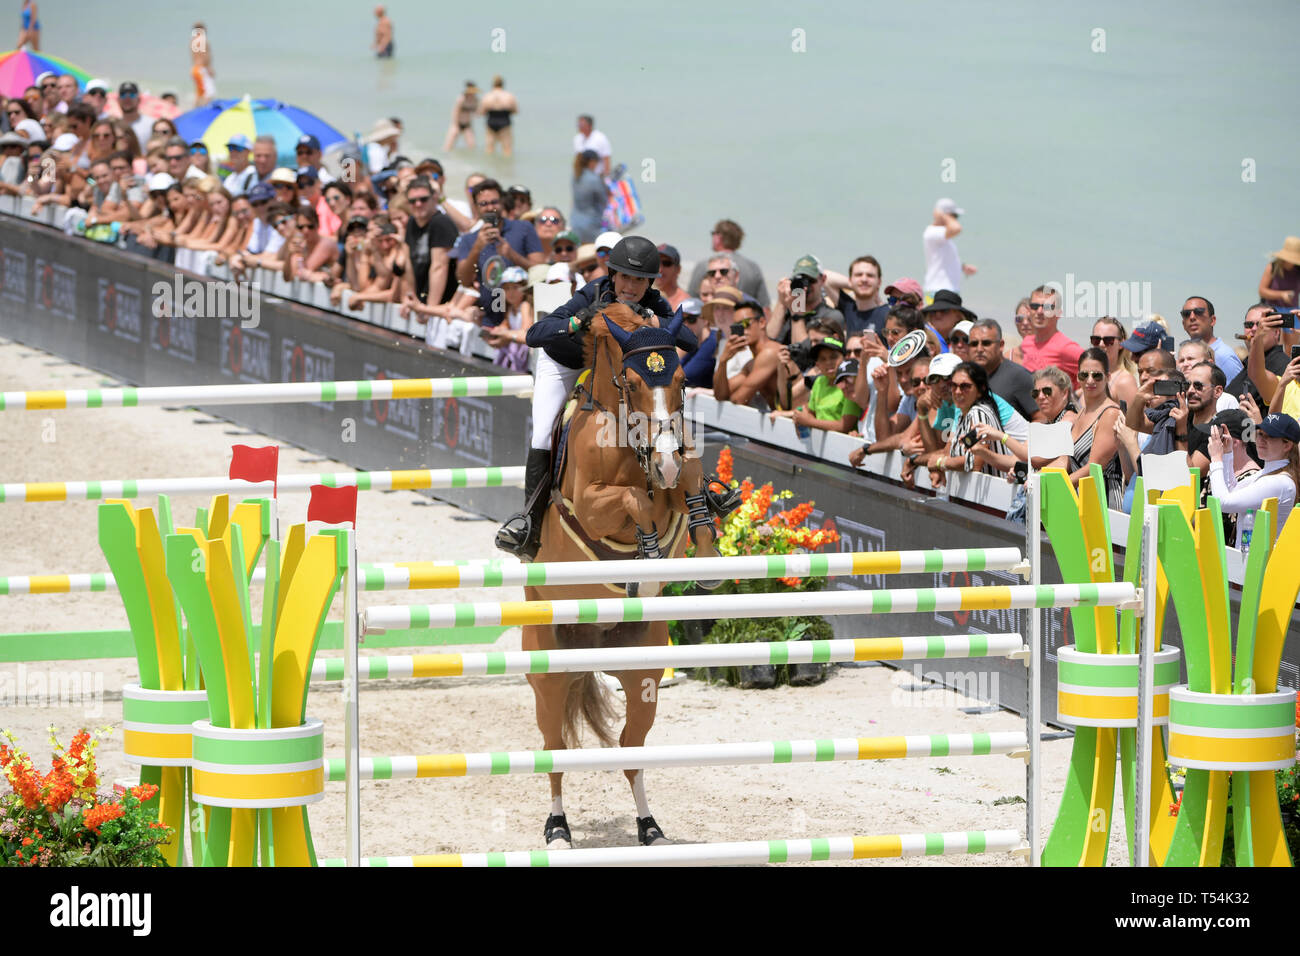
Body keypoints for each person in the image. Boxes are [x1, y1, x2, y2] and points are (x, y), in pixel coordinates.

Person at [498, 236, 694, 558]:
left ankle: (695, 492)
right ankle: (529, 524)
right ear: (612, 275)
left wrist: (655, 319)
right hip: (564, 363)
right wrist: (579, 321)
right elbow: (535, 335)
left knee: (655, 408)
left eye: (640, 280)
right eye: (625, 277)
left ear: (649, 283)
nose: (631, 286)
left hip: (607, 373)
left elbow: (691, 340)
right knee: (545, 432)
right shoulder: (593, 292)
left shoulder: (654, 302)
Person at [1044, 348, 1124, 507]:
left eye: (1097, 375)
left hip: (1103, 502)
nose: (1090, 380)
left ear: (1107, 378)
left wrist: (1055, 485)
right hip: (1078, 499)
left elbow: (1094, 468)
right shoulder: (1080, 413)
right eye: (1084, 375)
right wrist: (1038, 477)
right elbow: (1064, 460)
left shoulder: (1111, 413)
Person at [1207, 412, 1299, 551]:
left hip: (1259, 567)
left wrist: (1216, 459)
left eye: (1270, 436)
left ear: (1287, 445)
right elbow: (1232, 490)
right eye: (1260, 434)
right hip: (1251, 563)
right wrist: (1227, 453)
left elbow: (1222, 503)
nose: (1261, 440)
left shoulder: (1280, 482)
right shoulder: (1267, 473)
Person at [927, 361, 1006, 479]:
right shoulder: (963, 414)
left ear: (980, 389)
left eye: (965, 386)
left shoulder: (978, 413)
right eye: (953, 385)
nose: (958, 391)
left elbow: (975, 462)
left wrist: (940, 463)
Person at [712, 296, 781, 410]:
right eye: (737, 327)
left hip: (801, 422)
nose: (742, 330)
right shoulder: (751, 364)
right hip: (784, 422)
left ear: (762, 322)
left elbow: (738, 399)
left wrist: (733, 396)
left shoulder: (770, 352)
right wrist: (723, 360)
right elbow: (720, 395)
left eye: (745, 323)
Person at [685, 219, 769, 305]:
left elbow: (691, 301)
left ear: (719, 237)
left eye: (713, 233)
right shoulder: (753, 268)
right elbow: (765, 307)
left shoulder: (705, 265)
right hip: (744, 318)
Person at [968, 318, 1037, 420]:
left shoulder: (1019, 377)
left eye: (986, 343)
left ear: (1001, 345)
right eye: (974, 344)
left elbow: (1041, 418)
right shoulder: (966, 378)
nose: (979, 349)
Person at [766, 254, 843, 345]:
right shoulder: (787, 311)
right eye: (800, 281)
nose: (806, 286)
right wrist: (781, 302)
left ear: (822, 280)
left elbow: (803, 353)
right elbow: (768, 342)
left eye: (811, 280)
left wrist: (797, 313)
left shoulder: (831, 316)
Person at [1019, 284, 1084, 387]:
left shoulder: (1066, 348)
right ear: (1029, 311)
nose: (1040, 312)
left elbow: (1096, 372)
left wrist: (1078, 396)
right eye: (1035, 306)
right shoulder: (1026, 343)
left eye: (1047, 307)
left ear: (1058, 313)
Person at [1233, 303, 1287, 407]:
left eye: (1260, 325)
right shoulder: (1246, 364)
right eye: (1249, 325)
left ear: (1276, 332)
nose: (1253, 329)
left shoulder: (1283, 366)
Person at [1180, 295, 1243, 381]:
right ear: (1183, 324)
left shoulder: (1224, 356)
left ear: (1212, 320)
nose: (1192, 317)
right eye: (1186, 314)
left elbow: (1237, 392)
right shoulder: (1184, 357)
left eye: (1199, 312)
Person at [825, 255, 889, 336]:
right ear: (850, 280)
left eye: (870, 275)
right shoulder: (849, 309)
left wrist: (860, 285)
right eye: (859, 275)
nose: (864, 279)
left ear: (879, 282)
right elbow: (826, 278)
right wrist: (856, 285)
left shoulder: (887, 315)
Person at [922, 198, 976, 296]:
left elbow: (943, 260)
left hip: (948, 289)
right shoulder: (932, 232)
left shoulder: (942, 235)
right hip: (938, 289)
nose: (955, 219)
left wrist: (962, 267)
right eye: (954, 216)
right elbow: (957, 228)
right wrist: (944, 215)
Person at [1090, 317, 1139, 408]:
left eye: (1108, 340)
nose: (1101, 344)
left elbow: (1134, 421)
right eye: (1096, 340)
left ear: (1121, 344)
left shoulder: (1124, 381)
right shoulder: (1086, 376)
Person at [919, 289, 975, 354]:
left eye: (944, 311)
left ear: (958, 316)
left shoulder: (971, 339)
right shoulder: (921, 341)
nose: (938, 314)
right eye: (934, 311)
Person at [569, 149, 607, 243]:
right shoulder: (594, 179)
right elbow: (603, 201)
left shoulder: (575, 176)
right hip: (591, 225)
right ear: (592, 162)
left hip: (575, 222)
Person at [1258, 237, 1300, 310]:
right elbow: (1262, 291)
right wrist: (1281, 295)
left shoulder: (1298, 270)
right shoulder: (1272, 267)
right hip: (1273, 310)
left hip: (1293, 311)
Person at [479, 76, 516, 157]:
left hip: (491, 120)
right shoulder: (509, 95)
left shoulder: (487, 96)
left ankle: (488, 168)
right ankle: (507, 168)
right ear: (502, 84)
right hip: (504, 120)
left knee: (489, 148)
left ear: (493, 84)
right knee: (507, 149)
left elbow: (481, 112)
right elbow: (515, 111)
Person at [654, 243, 689, 310]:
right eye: (656, 262)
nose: (660, 269)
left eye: (666, 263)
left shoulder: (685, 303)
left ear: (678, 269)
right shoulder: (642, 295)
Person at [190, 22, 216, 107]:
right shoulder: (201, 40)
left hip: (195, 68)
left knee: (200, 93)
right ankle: (205, 110)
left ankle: (196, 111)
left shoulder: (193, 41)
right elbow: (203, 55)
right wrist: (208, 68)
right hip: (202, 69)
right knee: (209, 92)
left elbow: (196, 56)